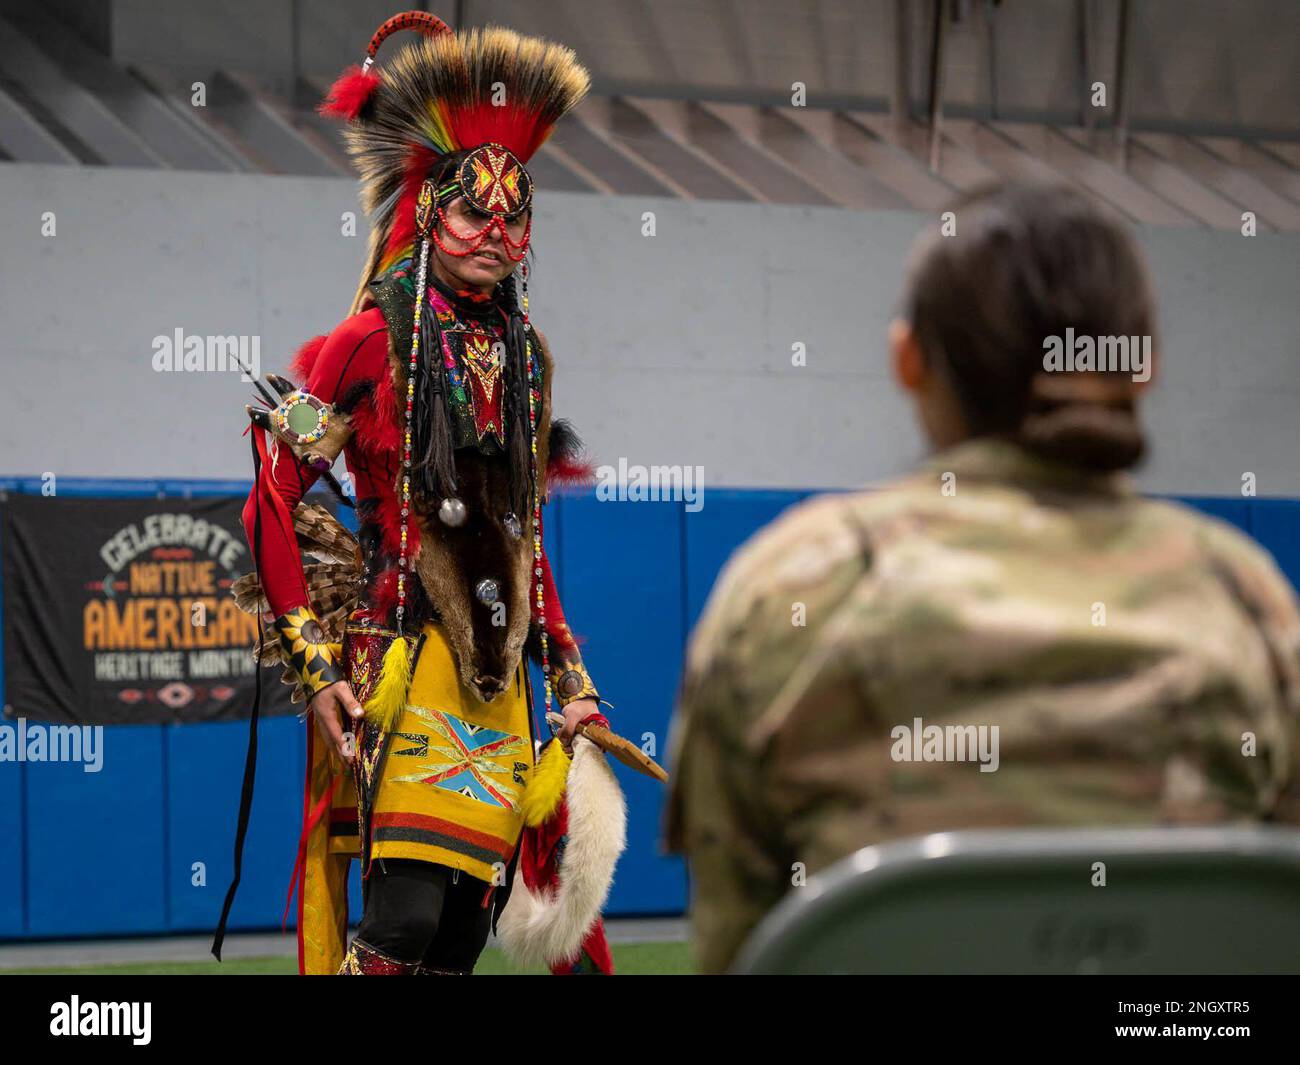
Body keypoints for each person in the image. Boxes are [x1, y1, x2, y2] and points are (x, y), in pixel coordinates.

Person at [666, 182, 1300, 974]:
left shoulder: (789, 588)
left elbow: (738, 950)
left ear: (909, 360)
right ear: (1146, 369)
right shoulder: (1250, 604)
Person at [218, 12, 617, 975]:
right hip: (402, 668)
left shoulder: (525, 358)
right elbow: (269, 494)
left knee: (454, 940)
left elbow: (522, 535)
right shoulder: (371, 341)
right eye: (475, 212)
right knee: (398, 924)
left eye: (515, 216)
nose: (498, 233)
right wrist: (317, 674)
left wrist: (571, 677)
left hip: (498, 686)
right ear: (429, 211)